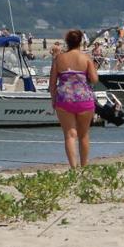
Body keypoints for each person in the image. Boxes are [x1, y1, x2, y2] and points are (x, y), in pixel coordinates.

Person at [50, 29, 100, 168]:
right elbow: (95, 80)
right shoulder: (86, 58)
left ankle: (73, 168)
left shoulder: (59, 59)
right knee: (83, 135)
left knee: (70, 135)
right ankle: (83, 166)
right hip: (84, 99)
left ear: (67, 42)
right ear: (80, 41)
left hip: (65, 99)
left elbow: (52, 83)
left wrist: (53, 99)